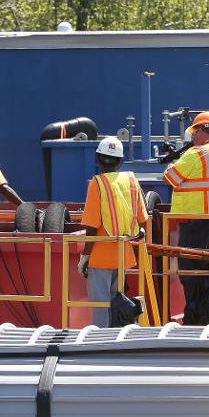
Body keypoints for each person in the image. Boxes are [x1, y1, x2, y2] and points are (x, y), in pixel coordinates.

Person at [162, 111, 209, 325]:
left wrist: (171, 162)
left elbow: (170, 177)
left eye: (194, 132)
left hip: (198, 220)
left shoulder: (197, 153)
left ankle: (196, 320)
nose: (192, 137)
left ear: (203, 130)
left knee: (191, 272)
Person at [78, 136, 149, 327]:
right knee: (116, 299)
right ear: (120, 161)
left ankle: (101, 342)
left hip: (100, 256)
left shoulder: (97, 183)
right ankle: (117, 337)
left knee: (101, 304)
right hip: (122, 254)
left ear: (98, 159)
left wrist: (85, 256)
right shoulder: (131, 181)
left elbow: (92, 225)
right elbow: (143, 219)